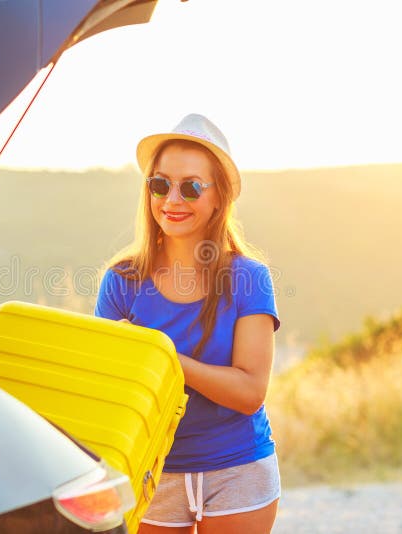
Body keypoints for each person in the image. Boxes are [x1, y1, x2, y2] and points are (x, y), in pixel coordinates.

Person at [95, 114, 281, 533]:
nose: (172, 199)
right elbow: (111, 394)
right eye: (159, 184)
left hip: (238, 470)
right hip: (151, 473)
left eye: (191, 186)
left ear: (219, 198)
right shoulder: (120, 281)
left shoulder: (249, 278)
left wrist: (161, 357)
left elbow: (250, 392)